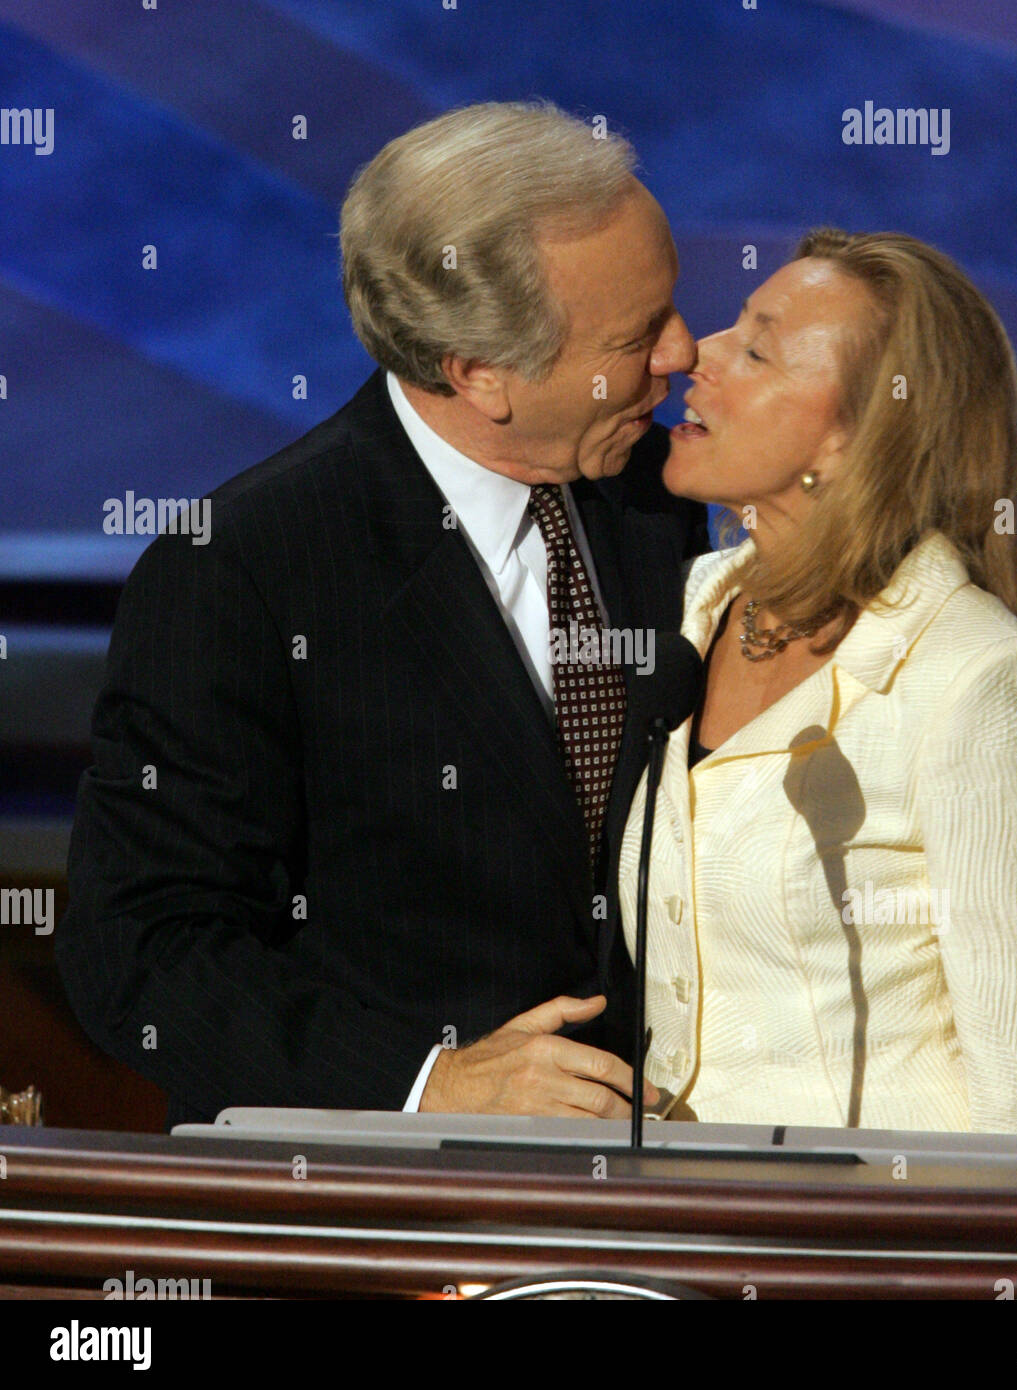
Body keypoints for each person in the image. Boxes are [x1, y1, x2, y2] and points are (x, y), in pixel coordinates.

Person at [57, 102, 708, 1127]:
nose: (683, 352)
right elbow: (140, 947)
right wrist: (428, 1084)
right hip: (382, 1216)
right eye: (635, 337)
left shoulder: (655, 502)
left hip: (648, 1205)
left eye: (673, 307)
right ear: (479, 373)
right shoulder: (244, 569)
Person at [620, 228, 1017, 1135]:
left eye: (756, 347)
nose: (697, 356)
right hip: (676, 1232)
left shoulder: (970, 677)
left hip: (871, 1236)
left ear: (852, 437)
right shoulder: (687, 611)